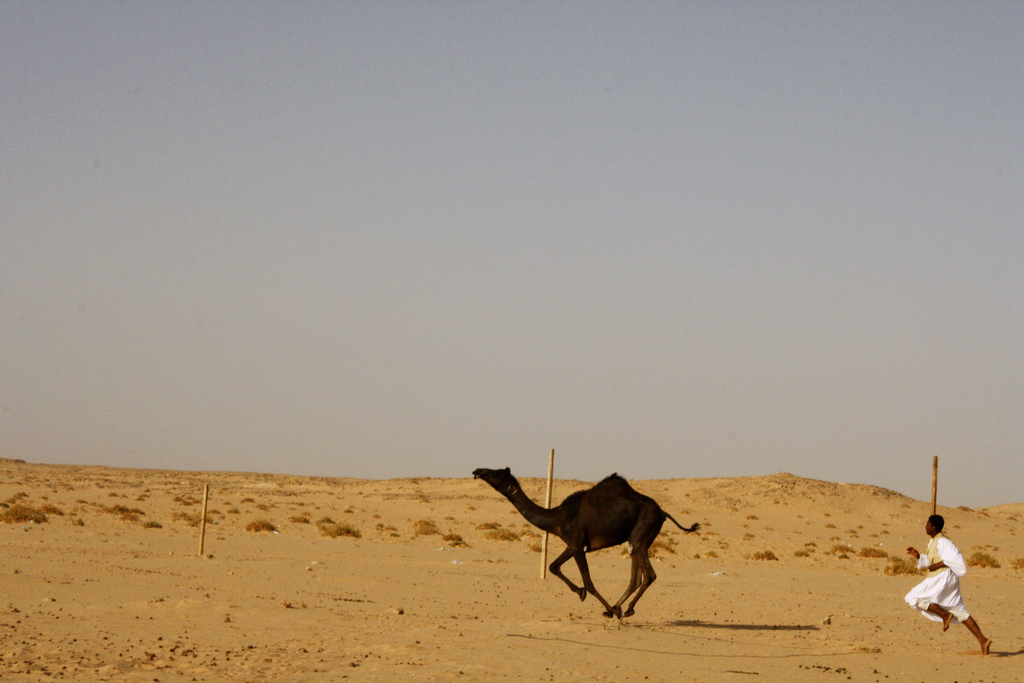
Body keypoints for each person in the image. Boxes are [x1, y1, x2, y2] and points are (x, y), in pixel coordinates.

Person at [905, 514, 991, 655]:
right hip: (944, 577)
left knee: (912, 598)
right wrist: (918, 556)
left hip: (942, 577)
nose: (925, 527)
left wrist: (937, 565)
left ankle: (944, 615)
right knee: (958, 610)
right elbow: (933, 560)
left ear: (934, 527)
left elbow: (953, 559)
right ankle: (983, 640)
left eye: (927, 524)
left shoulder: (944, 542)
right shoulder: (933, 541)